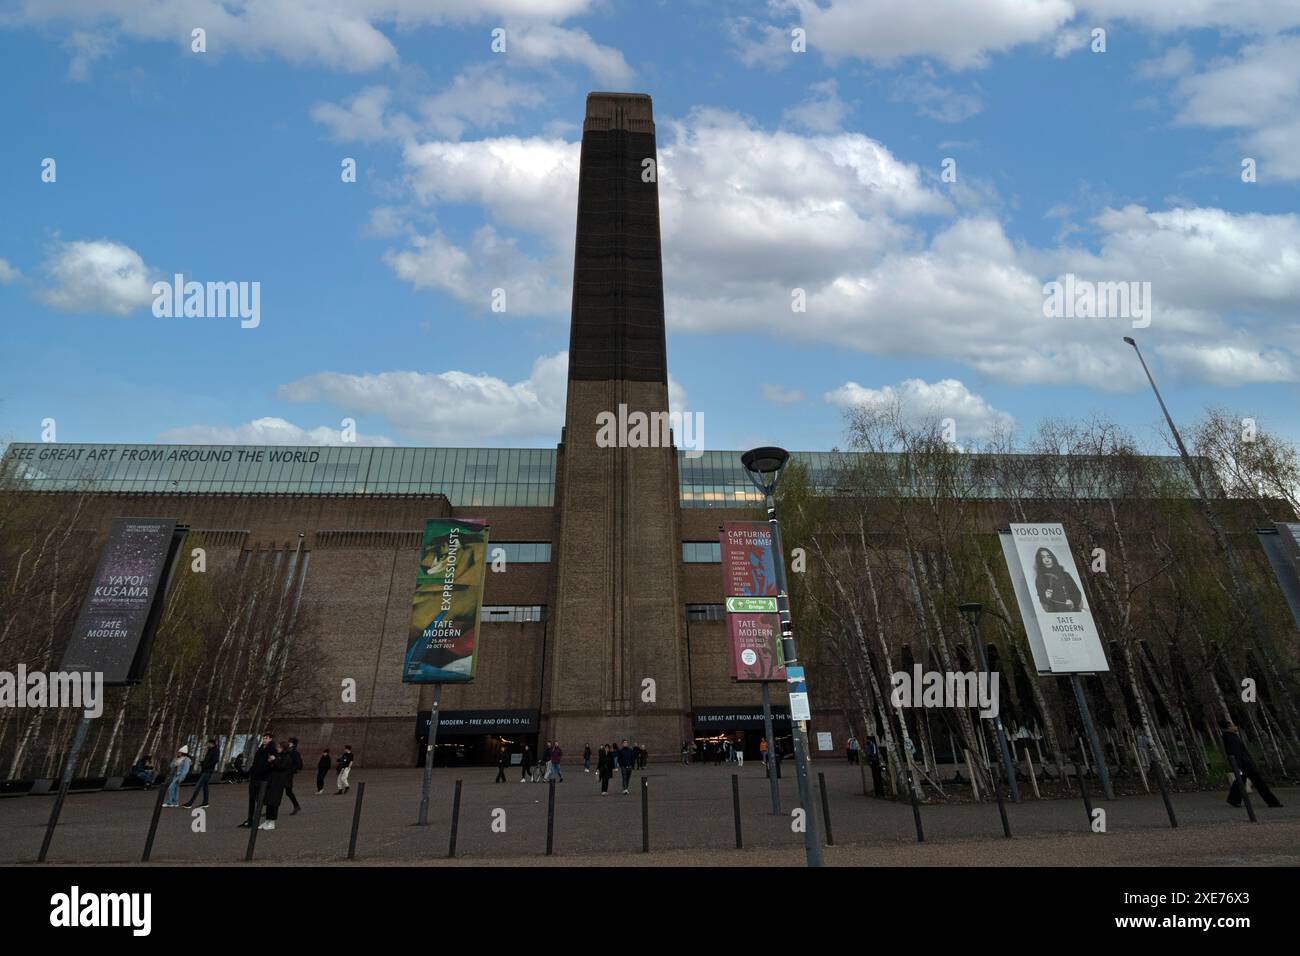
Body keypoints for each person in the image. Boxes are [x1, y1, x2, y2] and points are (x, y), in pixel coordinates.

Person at [1221, 721, 1282, 808]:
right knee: (1259, 782)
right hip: (1244, 764)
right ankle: (1272, 802)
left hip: (1243, 763)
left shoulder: (1231, 737)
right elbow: (1236, 752)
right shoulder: (1231, 738)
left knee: (1240, 782)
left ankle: (1233, 799)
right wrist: (1239, 765)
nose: (1235, 727)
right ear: (1228, 728)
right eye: (1232, 725)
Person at [1033, 547, 1082, 613]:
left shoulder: (1065, 575)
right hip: (1055, 614)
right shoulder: (1039, 579)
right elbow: (1042, 600)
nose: (1046, 560)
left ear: (1053, 558)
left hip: (1073, 611)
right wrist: (1046, 597)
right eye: (1043, 557)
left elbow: (1077, 593)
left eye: (1049, 556)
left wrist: (1073, 602)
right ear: (1040, 560)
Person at [240, 733, 274, 828]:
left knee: (259, 800)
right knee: (252, 799)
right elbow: (256, 762)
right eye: (263, 738)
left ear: (270, 739)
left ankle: (256, 820)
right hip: (255, 777)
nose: (264, 739)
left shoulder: (271, 750)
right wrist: (250, 772)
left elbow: (271, 764)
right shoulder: (261, 749)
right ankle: (250, 820)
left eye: (266, 738)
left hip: (262, 779)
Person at [260, 740, 291, 830]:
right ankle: (267, 820)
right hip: (273, 780)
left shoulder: (287, 757)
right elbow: (275, 766)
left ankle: (272, 821)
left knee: (274, 802)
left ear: (283, 748)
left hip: (279, 782)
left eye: (279, 747)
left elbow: (281, 767)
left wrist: (274, 760)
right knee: (269, 801)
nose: (277, 749)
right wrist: (271, 761)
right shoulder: (280, 756)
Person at [184, 738, 219, 809]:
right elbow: (208, 760)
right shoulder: (210, 750)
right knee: (205, 787)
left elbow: (214, 761)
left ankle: (190, 803)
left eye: (208, 743)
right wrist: (202, 763)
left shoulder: (215, 751)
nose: (207, 745)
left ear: (212, 743)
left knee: (198, 786)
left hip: (208, 771)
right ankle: (205, 802)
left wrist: (205, 765)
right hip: (205, 770)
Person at [284, 737, 303, 814]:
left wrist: (290, 771)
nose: (289, 743)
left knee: (288, 792)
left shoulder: (294, 753)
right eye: (288, 742)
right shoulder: (286, 751)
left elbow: (299, 765)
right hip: (282, 774)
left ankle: (296, 806)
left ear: (294, 744)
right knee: (277, 792)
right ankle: (271, 809)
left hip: (287, 776)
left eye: (290, 742)